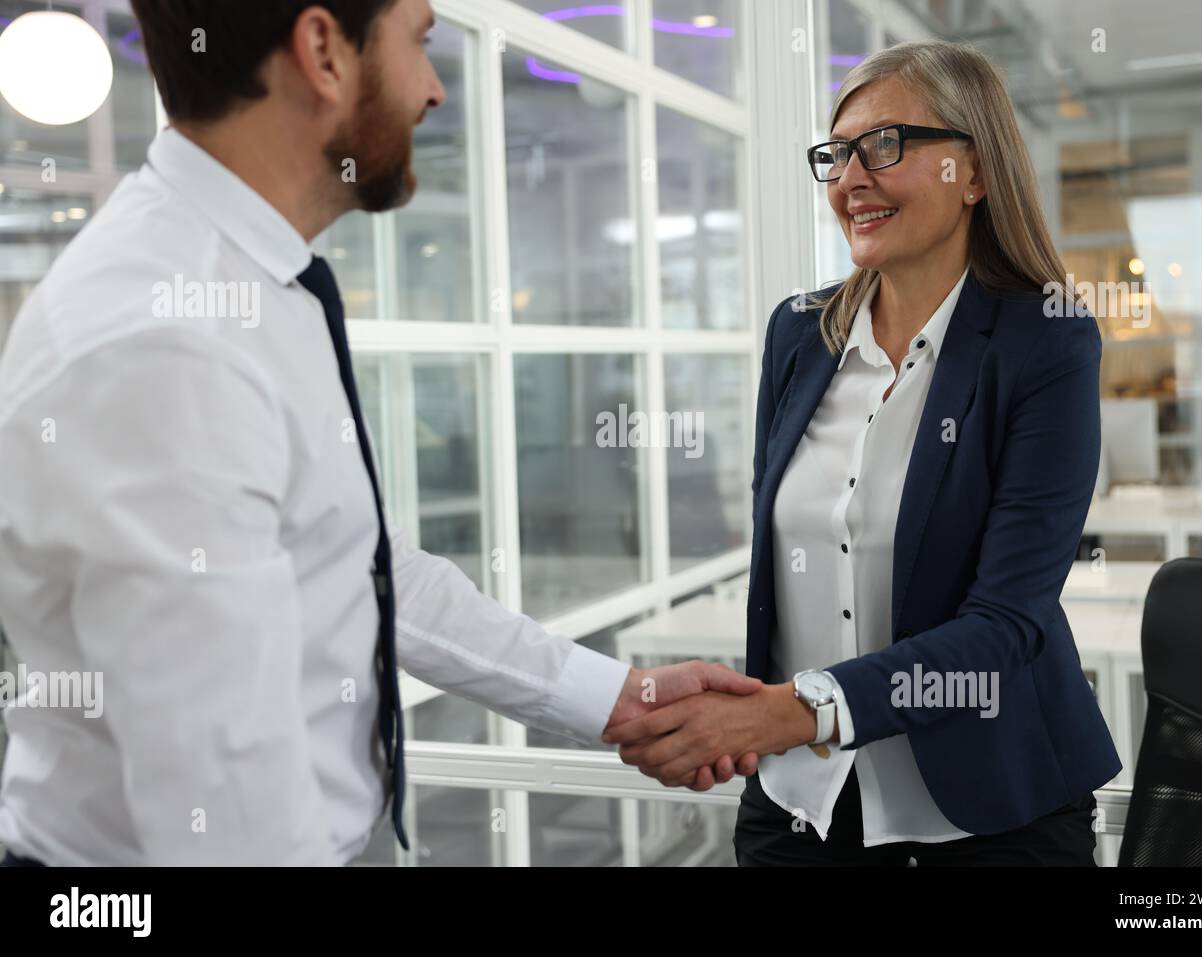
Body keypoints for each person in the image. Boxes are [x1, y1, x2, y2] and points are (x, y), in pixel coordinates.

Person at [0, 0, 757, 867]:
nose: (434, 90)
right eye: (420, 40)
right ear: (324, 51)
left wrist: (614, 695)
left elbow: (364, 563)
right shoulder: (164, 338)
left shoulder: (257, 284)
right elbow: (225, 811)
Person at [607, 40, 1123, 866]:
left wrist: (788, 710)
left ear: (976, 173)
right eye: (836, 153)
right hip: (801, 807)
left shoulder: (1044, 340)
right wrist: (753, 715)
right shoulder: (798, 332)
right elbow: (784, 561)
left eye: (886, 145)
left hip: (989, 815)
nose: (850, 178)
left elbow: (1005, 624)